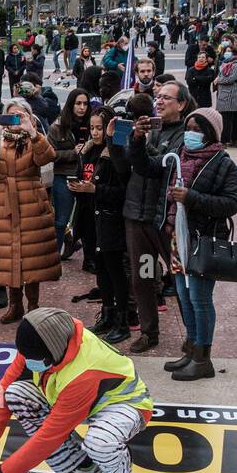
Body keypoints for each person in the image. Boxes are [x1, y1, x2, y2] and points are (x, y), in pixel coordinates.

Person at [0, 308, 154, 473]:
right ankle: (79, 468)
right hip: (75, 398)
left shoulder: (84, 371)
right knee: (15, 394)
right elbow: (2, 392)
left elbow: (49, 436)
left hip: (123, 403)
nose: (29, 364)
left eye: (35, 361)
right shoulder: (44, 338)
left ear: (53, 353)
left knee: (100, 442)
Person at [146, 107, 237, 380]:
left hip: (203, 240)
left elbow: (231, 204)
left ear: (211, 133)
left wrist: (191, 198)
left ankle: (203, 358)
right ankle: (191, 347)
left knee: (200, 298)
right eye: (189, 127)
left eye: (197, 129)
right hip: (178, 238)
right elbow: (148, 166)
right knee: (183, 295)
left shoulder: (224, 164)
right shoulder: (179, 157)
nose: (190, 133)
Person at [115, 84, 188, 352]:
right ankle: (149, 331)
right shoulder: (145, 129)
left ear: (181, 105)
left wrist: (142, 144)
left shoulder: (186, 133)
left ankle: (193, 334)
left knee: (179, 275)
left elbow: (158, 167)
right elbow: (127, 164)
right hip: (137, 214)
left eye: (166, 98)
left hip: (164, 218)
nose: (159, 102)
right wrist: (129, 138)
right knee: (143, 275)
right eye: (157, 97)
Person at [0, 98, 60, 324]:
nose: (15, 121)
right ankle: (15, 305)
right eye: (11, 116)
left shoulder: (34, 137)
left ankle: (33, 304)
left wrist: (32, 131)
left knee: (31, 258)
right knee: (10, 255)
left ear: (30, 117)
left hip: (31, 202)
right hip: (4, 205)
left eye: (20, 116)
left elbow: (48, 157)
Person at [79, 106, 133, 343]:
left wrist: (95, 189)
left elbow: (124, 191)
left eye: (99, 128)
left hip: (111, 218)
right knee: (101, 271)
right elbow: (84, 176)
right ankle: (107, 313)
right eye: (92, 128)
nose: (95, 132)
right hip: (92, 216)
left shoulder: (115, 153)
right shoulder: (88, 151)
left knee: (115, 271)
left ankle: (122, 320)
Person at [48, 88, 92, 260]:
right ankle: (54, 257)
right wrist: (73, 153)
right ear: (71, 104)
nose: (82, 107)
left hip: (87, 175)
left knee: (88, 220)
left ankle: (89, 259)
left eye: (85, 104)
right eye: (78, 103)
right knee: (61, 220)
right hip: (64, 176)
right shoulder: (58, 127)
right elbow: (50, 155)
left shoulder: (92, 124)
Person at [213, 41, 237, 145]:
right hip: (225, 94)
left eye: (229, 51)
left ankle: (224, 140)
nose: (227, 53)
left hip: (231, 95)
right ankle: (235, 139)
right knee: (233, 118)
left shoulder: (236, 65)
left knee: (226, 119)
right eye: (226, 51)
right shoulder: (225, 64)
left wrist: (219, 80)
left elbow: (231, 79)